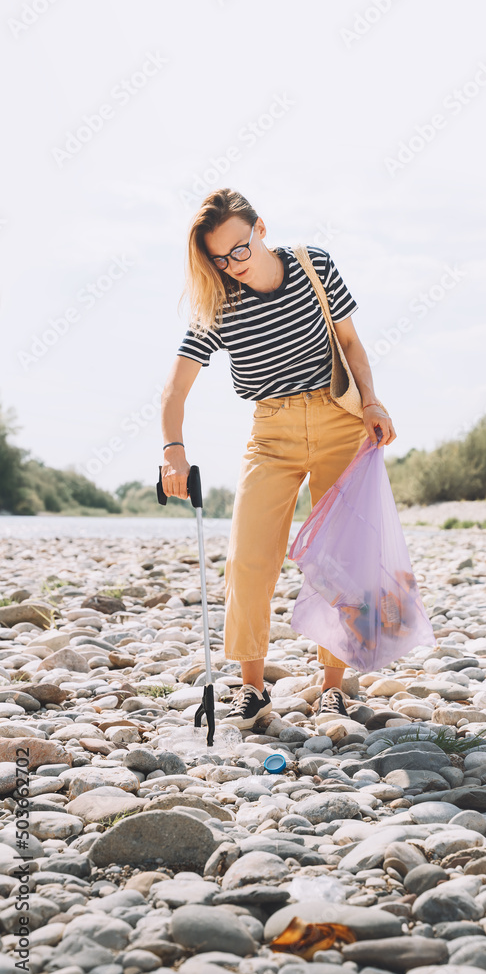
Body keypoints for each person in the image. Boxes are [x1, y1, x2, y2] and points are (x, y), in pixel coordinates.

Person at [160, 187, 397, 728]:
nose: (232, 265)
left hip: (339, 419)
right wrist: (173, 450)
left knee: (341, 557)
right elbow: (175, 392)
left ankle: (333, 686)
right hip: (271, 433)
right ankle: (251, 687)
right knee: (248, 559)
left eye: (239, 250)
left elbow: (352, 343)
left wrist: (373, 401)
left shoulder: (315, 266)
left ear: (260, 228)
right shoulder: (218, 302)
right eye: (219, 258)